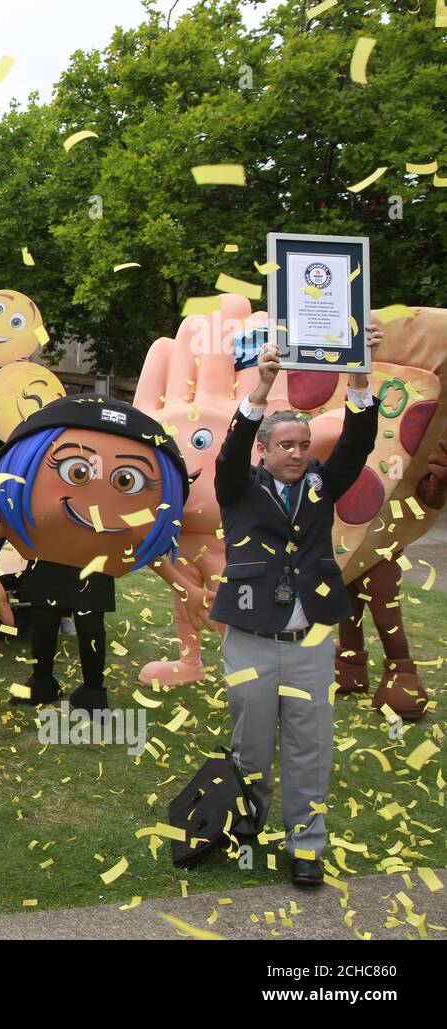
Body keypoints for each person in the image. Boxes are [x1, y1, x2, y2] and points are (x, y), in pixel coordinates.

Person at [212, 330, 381, 887]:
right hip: (251, 638)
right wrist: (261, 385)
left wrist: (359, 375)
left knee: (310, 747)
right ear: (265, 449)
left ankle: (306, 846)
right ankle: (247, 826)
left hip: (310, 642)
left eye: (303, 445)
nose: (297, 453)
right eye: (286, 445)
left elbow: (355, 445)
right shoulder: (237, 486)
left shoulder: (319, 487)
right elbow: (232, 448)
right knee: (252, 745)